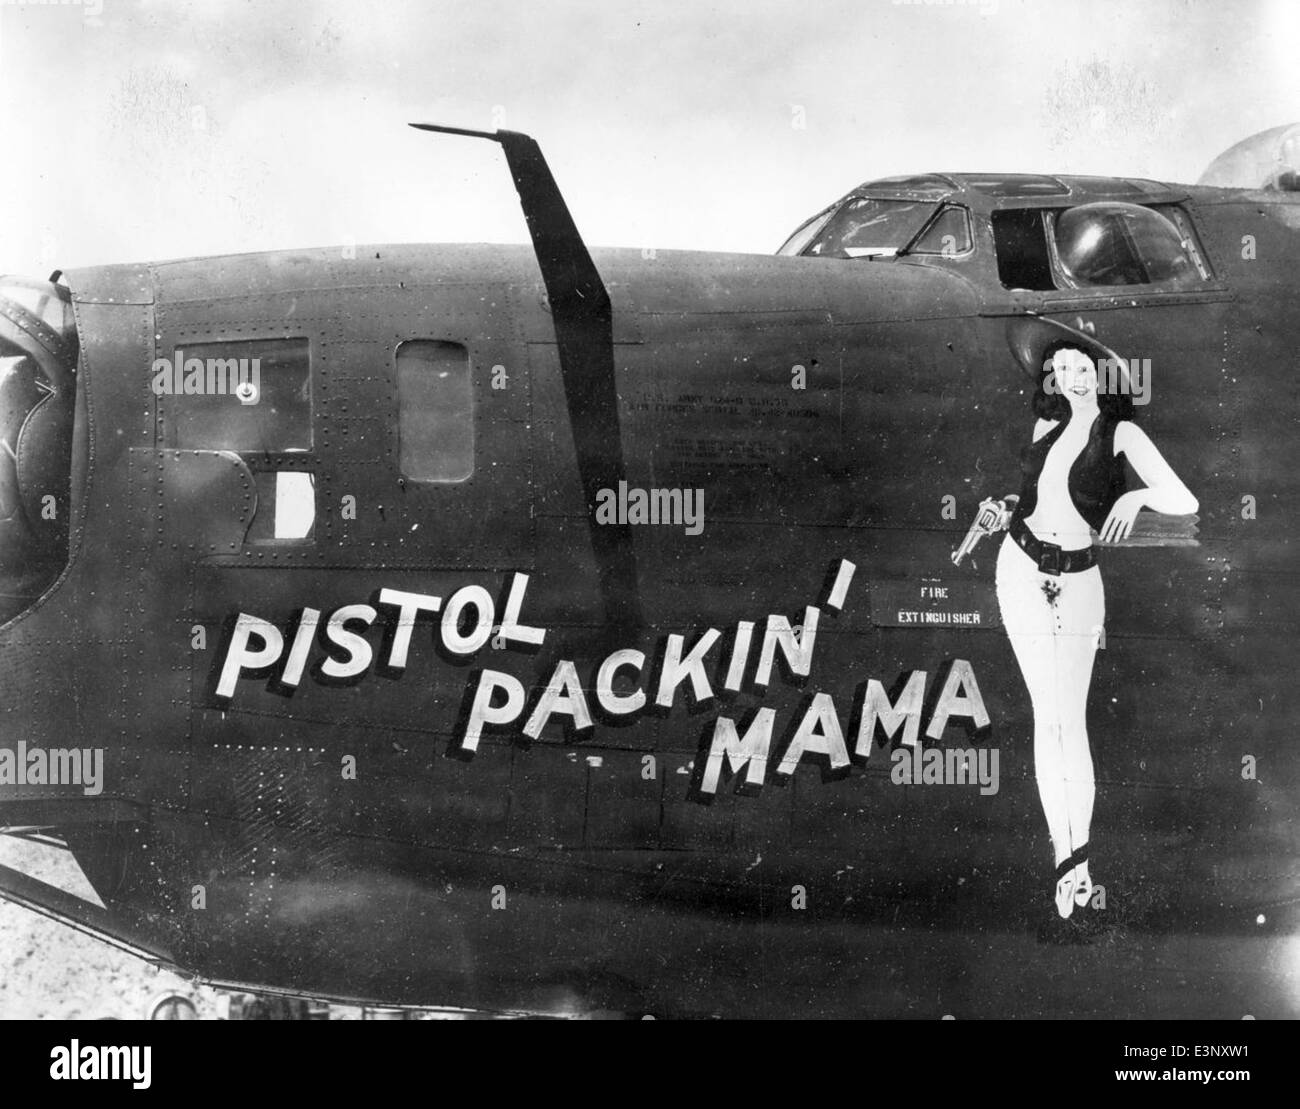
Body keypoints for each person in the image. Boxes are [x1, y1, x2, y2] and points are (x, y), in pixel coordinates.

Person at [993, 341, 1197, 920]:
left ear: (1101, 371)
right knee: (1046, 719)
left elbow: (1184, 499)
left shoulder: (1121, 435)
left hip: (1079, 580)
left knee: (1070, 722)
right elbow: (1034, 498)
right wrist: (1001, 505)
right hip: (1018, 566)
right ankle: (1066, 860)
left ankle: (1078, 860)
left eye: (1082, 367)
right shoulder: (1045, 422)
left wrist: (1136, 494)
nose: (1072, 378)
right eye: (1061, 370)